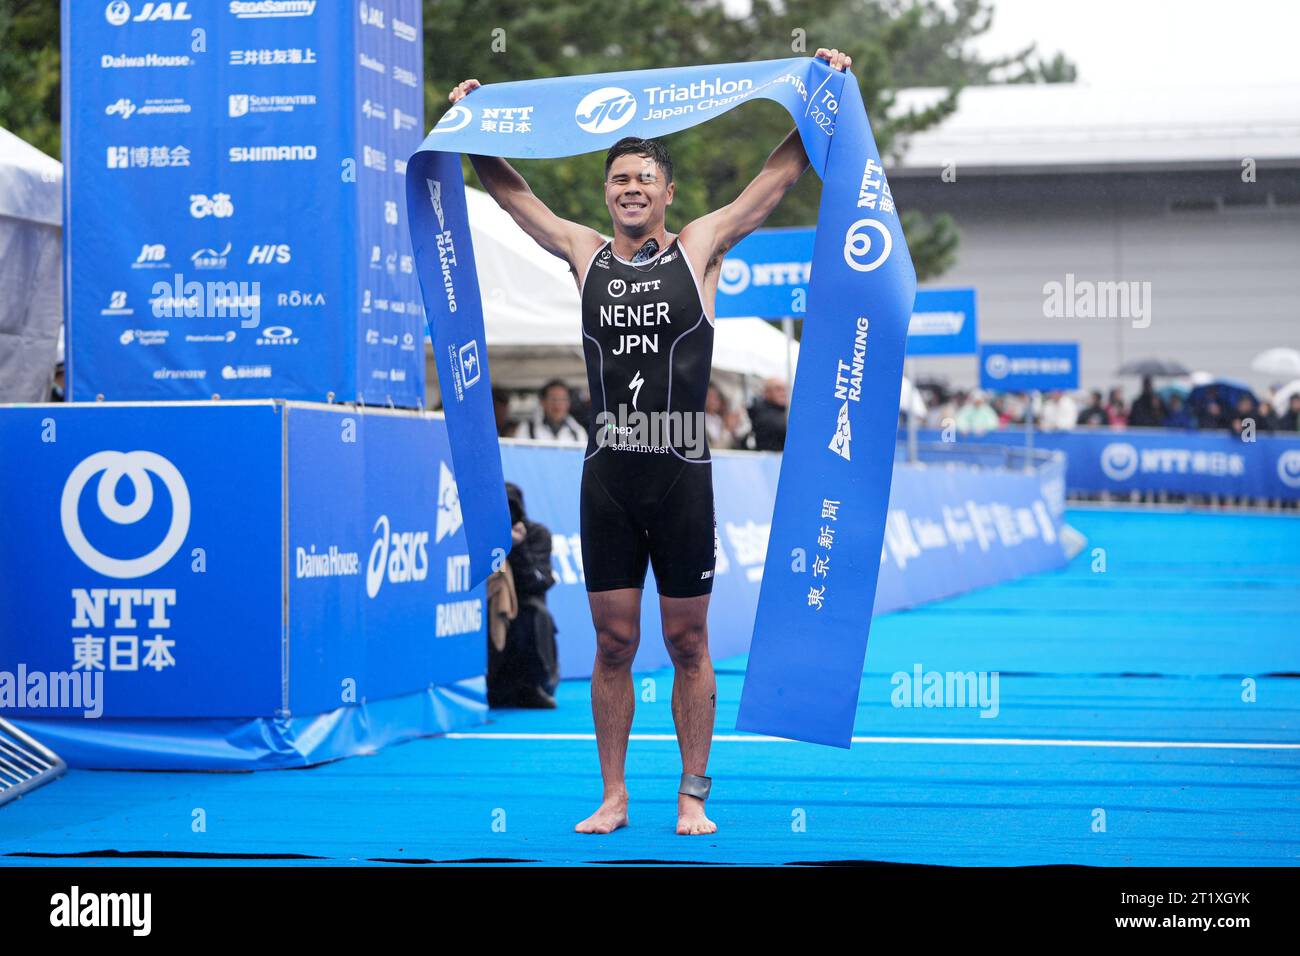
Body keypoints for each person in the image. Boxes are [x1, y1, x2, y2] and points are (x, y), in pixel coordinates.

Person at [447, 47, 857, 835]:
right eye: (619, 180)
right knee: (613, 644)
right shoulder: (583, 253)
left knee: (688, 639)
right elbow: (511, 195)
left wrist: (824, 95)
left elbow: (772, 184)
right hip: (606, 476)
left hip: (681, 474)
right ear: (607, 194)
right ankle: (613, 794)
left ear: (667, 192)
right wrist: (475, 126)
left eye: (644, 179)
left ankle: (692, 794)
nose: (631, 189)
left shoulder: (699, 246)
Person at [488, 483, 561, 709]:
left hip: (525, 614)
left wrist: (516, 547)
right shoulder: (484, 535)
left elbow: (538, 582)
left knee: (535, 614)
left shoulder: (537, 534)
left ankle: (534, 685)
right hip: (489, 607)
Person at [513, 379, 585, 443]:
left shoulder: (578, 432)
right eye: (553, 399)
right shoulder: (527, 428)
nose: (557, 404)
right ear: (543, 402)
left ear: (568, 403)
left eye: (562, 399)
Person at [745, 377, 789, 451]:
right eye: (778, 389)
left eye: (784, 389)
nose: (783, 393)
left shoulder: (782, 411)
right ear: (766, 392)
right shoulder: (761, 413)